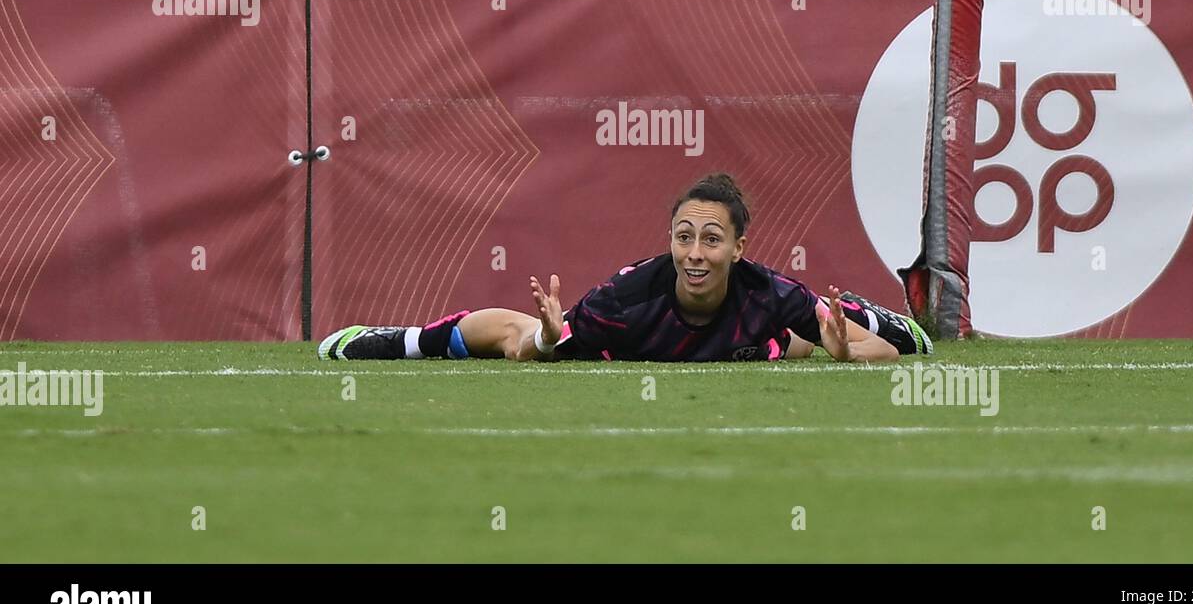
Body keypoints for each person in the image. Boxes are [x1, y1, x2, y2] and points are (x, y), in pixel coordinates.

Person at [318, 173, 933, 364]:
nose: (695, 254)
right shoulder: (623, 297)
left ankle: (862, 311)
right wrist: (550, 335)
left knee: (809, 344)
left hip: (755, 339)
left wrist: (849, 348)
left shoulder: (769, 290)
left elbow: (881, 360)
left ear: (739, 249)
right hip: (634, 345)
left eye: (712, 240)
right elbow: (534, 350)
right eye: (683, 237)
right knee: (516, 342)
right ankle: (395, 340)